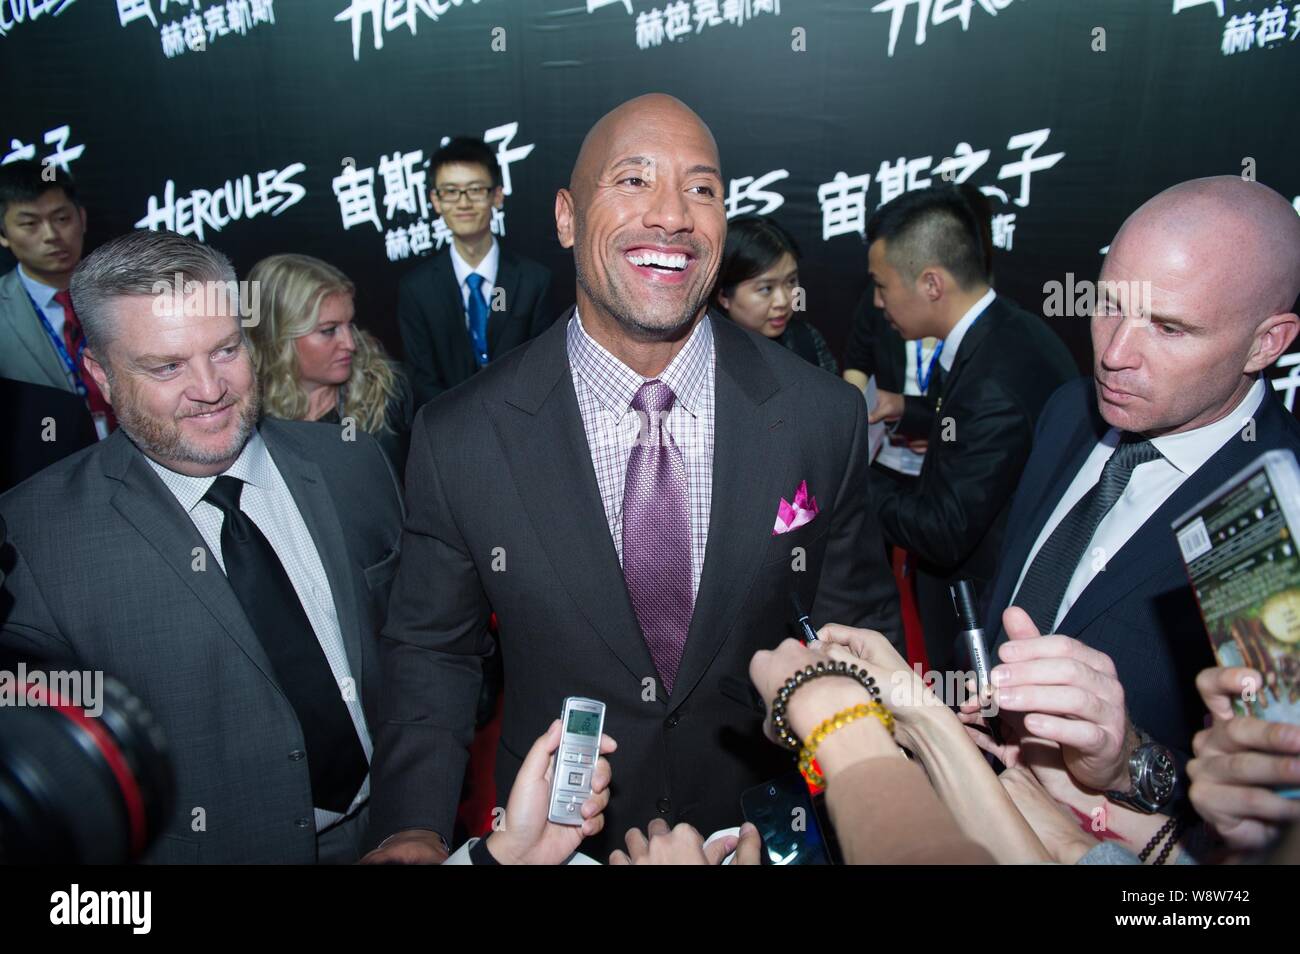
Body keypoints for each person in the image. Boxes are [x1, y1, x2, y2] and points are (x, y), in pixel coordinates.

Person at [363, 93, 901, 863]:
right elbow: (433, 652)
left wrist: (870, 804)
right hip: (555, 838)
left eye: (703, 189)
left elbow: (856, 632)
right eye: (634, 181)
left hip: (763, 831)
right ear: (565, 217)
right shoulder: (462, 435)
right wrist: (411, 827)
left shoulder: (819, 416)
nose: (673, 216)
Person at [0, 230, 404, 863]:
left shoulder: (351, 462)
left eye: (225, 350)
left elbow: (424, 643)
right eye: (166, 366)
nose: (211, 388)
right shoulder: (33, 539)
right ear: (100, 374)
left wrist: (421, 814)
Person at [980, 177, 1300, 816]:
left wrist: (1130, 763)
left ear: (1267, 343)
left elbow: (1270, 816)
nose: (1115, 354)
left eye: (1170, 329)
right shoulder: (1072, 409)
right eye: (1108, 304)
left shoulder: (1279, 519)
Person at [864, 185, 1076, 672]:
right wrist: (913, 413)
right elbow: (983, 432)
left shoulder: (992, 381)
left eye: (882, 285)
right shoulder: (1008, 332)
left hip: (990, 616)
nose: (878, 303)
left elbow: (943, 531)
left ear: (931, 284)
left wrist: (850, 475)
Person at [397, 136, 556, 407]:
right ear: (435, 200)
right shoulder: (416, 289)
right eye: (450, 191)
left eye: (475, 190)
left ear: (496, 195)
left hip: (521, 426)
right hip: (446, 431)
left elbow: (543, 369)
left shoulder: (534, 281)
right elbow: (421, 379)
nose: (463, 203)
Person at [246, 253, 414, 475]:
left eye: (349, 324)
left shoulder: (386, 393)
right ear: (277, 339)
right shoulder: (250, 424)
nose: (350, 343)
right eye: (328, 330)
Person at [0, 160, 111, 442]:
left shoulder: (125, 290)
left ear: (82, 219)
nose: (51, 236)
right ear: (3, 234)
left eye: (62, 219)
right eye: (29, 224)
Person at [713, 214, 837, 374]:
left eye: (791, 281)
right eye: (766, 289)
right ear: (724, 296)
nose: (783, 301)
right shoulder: (707, 357)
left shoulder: (806, 340)